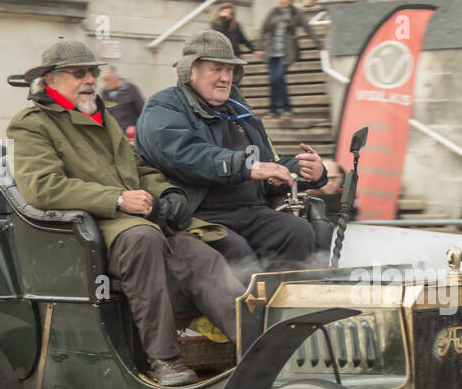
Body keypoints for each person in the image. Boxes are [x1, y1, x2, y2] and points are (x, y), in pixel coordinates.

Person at [7, 39, 244, 388]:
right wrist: (117, 199)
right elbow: (43, 188)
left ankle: (257, 344)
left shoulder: (101, 116)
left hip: (134, 223)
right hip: (83, 234)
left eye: (93, 72)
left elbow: (138, 168)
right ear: (51, 81)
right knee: (143, 239)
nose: (89, 79)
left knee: (202, 254)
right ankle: (164, 359)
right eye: (78, 73)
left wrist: (168, 193)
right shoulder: (31, 124)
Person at [135, 29, 328, 279]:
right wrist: (246, 166)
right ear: (189, 71)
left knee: (297, 230)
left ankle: (283, 308)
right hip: (197, 214)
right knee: (237, 251)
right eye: (216, 69)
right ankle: (245, 313)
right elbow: (187, 155)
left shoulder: (240, 112)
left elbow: (269, 163)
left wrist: (304, 170)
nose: (225, 78)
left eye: (229, 70)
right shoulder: (164, 107)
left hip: (249, 210)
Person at [256, 0, 318, 122]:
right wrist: (259, 46)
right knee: (274, 81)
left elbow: (308, 28)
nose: (283, 1)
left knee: (278, 77)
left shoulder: (296, 13)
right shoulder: (274, 12)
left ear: (290, 0)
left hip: (287, 52)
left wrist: (320, 44)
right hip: (272, 52)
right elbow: (264, 29)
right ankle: (275, 110)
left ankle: (286, 109)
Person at [98, 66, 145, 133]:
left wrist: (137, 128)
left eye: (108, 79)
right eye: (104, 80)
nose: (106, 83)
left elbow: (143, 111)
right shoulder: (105, 92)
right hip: (113, 134)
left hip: (129, 134)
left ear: (116, 77)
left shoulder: (131, 89)